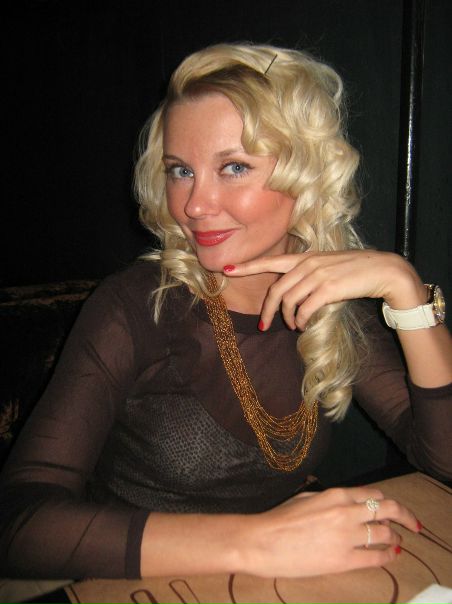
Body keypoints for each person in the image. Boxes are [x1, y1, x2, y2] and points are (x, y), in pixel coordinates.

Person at [1, 42, 451, 582]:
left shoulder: (331, 302)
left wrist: (406, 291)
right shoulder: (136, 304)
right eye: (180, 171)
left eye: (233, 167)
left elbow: (443, 459)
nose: (194, 205)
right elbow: (17, 525)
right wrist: (257, 542)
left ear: (305, 175)